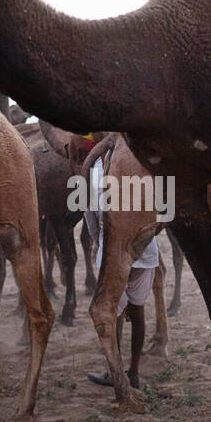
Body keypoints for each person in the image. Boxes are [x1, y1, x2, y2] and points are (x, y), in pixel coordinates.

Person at [63, 131, 160, 390]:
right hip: (147, 249)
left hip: (114, 252)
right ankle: (135, 371)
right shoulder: (146, 159)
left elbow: (92, 213)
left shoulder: (97, 166)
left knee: (112, 312)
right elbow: (164, 207)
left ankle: (114, 371)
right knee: (138, 312)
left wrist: (99, 243)